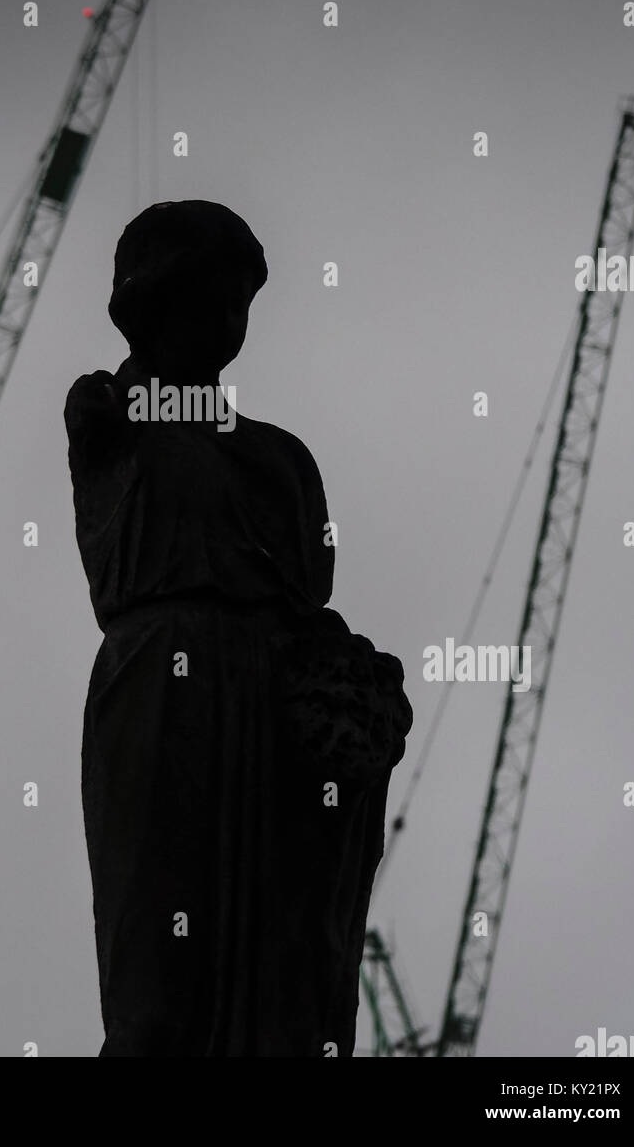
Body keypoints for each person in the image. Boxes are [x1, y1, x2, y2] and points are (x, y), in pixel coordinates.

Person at [65, 199, 412, 1057]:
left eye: (240, 301)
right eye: (209, 295)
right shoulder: (110, 414)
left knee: (285, 969)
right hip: (158, 690)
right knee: (154, 978)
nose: (227, 320)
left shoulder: (281, 458)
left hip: (271, 696)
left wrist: (354, 688)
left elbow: (310, 600)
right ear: (149, 301)